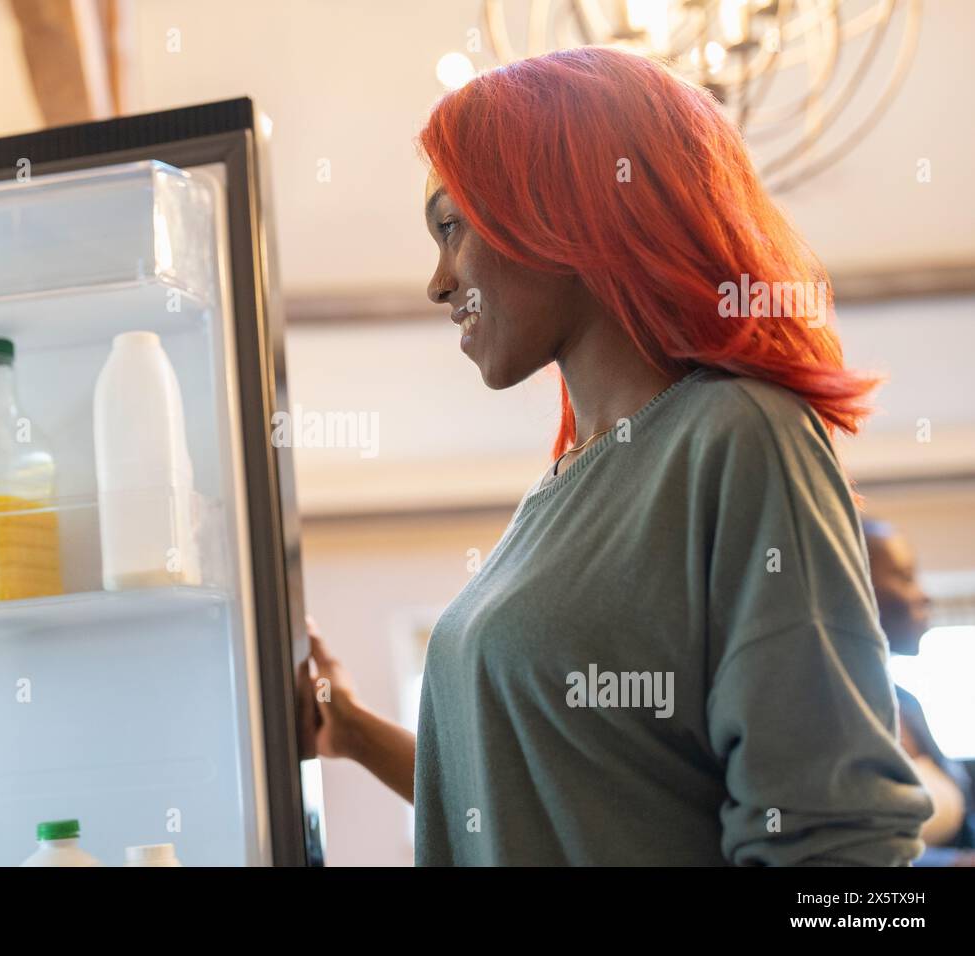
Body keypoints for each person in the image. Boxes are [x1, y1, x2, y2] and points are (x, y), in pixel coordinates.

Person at [305, 46, 933, 866]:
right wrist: (349, 731)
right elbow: (541, 802)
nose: (437, 280)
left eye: (451, 228)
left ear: (561, 212)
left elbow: (839, 843)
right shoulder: (560, 489)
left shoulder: (738, 436)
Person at [863, 518, 975, 865]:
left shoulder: (905, 702)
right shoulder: (827, 708)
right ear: (854, 586)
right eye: (906, 577)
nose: (924, 595)